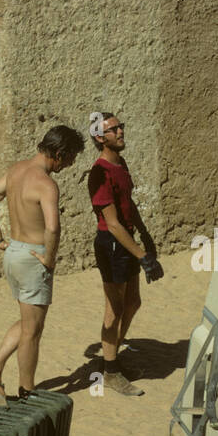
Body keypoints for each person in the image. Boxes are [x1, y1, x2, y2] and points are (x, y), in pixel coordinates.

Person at [0, 125, 85, 402]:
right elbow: (52, 228)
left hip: (13, 252)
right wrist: (49, 258)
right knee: (33, 331)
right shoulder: (46, 184)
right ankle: (27, 391)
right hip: (34, 257)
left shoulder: (16, 170)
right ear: (59, 154)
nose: (70, 165)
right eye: (70, 159)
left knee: (28, 322)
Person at [87, 112, 165, 396]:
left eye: (121, 126)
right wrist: (143, 256)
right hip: (111, 244)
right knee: (114, 309)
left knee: (132, 303)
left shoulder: (120, 165)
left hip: (127, 241)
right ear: (100, 137)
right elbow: (113, 223)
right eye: (114, 129)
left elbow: (128, 205)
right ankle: (109, 371)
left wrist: (144, 234)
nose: (121, 132)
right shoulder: (100, 172)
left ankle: (112, 359)